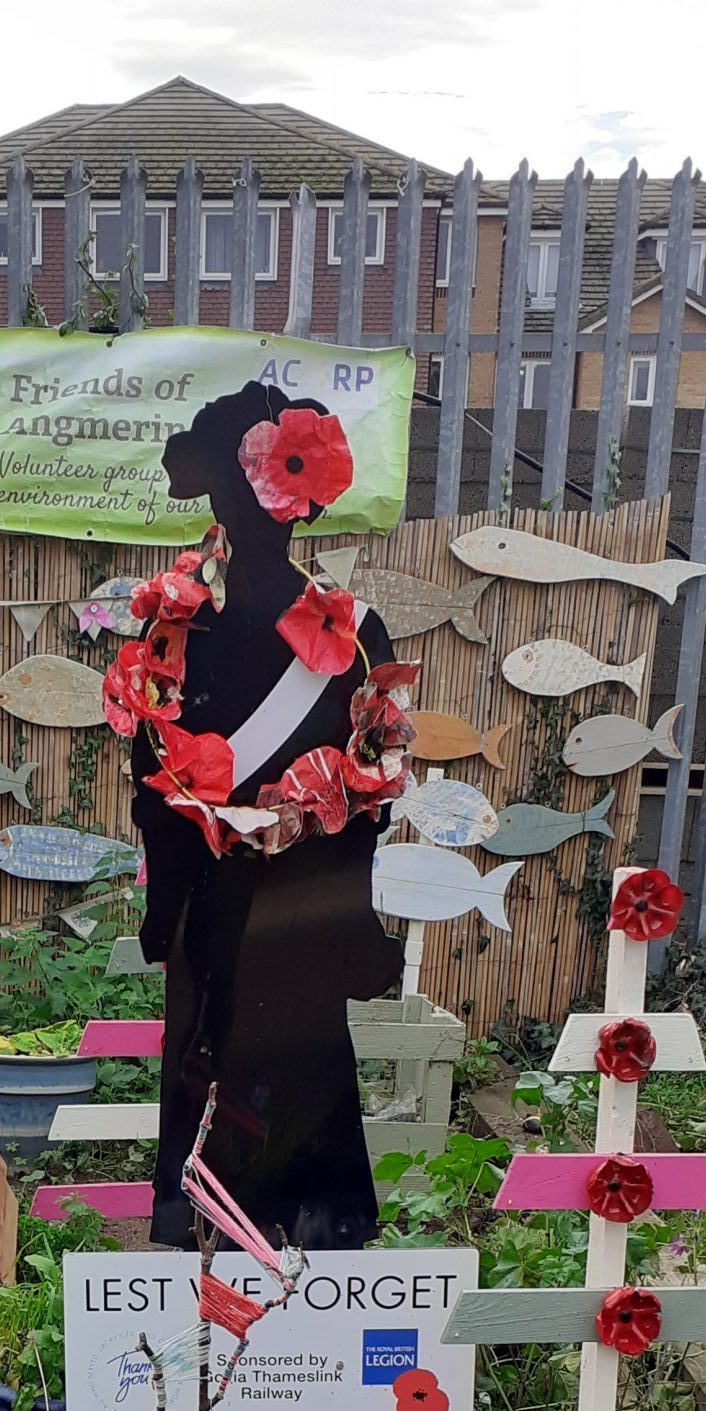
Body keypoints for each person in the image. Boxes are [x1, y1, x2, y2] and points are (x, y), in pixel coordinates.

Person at [128, 381, 402, 1250]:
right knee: (302, 1068)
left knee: (222, 1071)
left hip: (219, 909)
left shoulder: (178, 629)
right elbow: (368, 809)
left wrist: (164, 911)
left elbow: (152, 790)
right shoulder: (353, 633)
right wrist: (355, 922)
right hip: (306, 914)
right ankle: (316, 1238)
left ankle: (204, 1228)